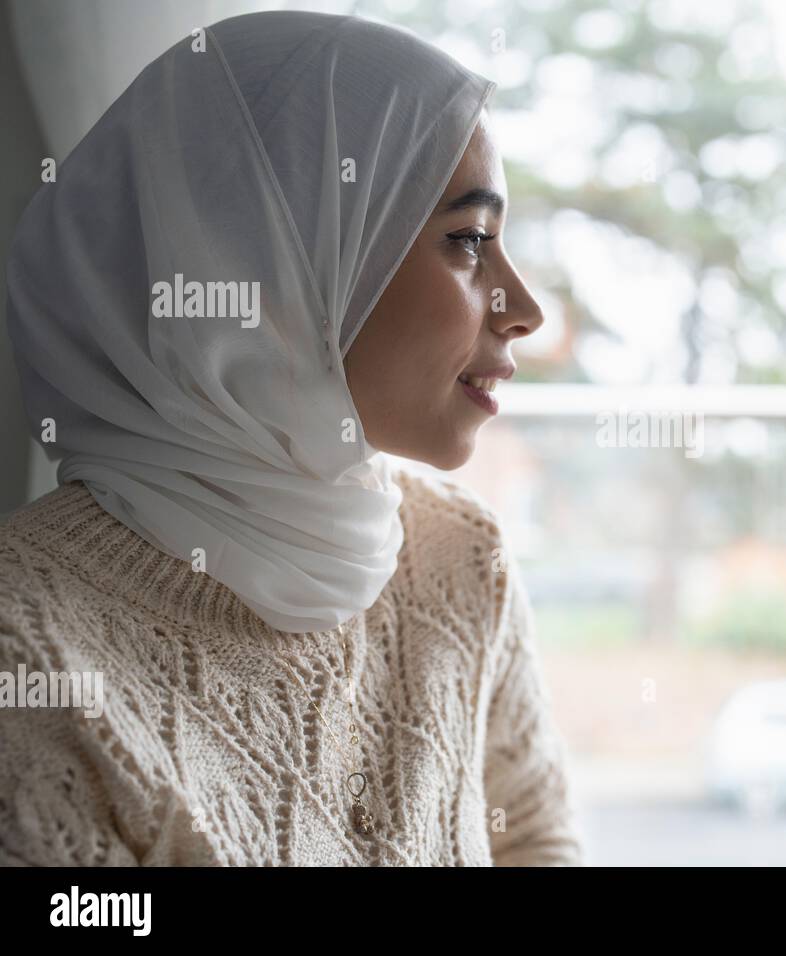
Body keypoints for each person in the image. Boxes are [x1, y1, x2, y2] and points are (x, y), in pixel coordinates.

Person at [0, 10, 582, 866]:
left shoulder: (460, 560)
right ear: (270, 262)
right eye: (468, 241)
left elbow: (535, 839)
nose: (525, 308)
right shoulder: (27, 649)